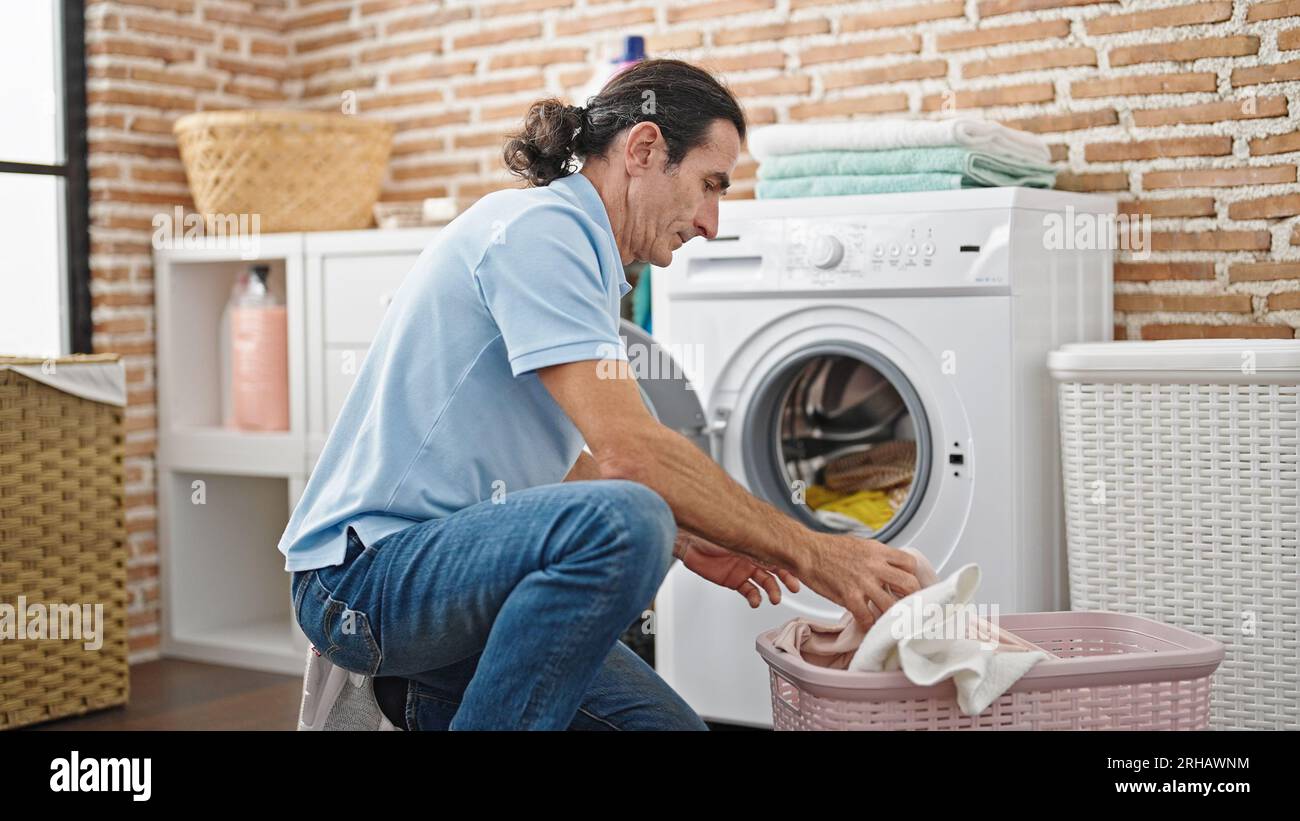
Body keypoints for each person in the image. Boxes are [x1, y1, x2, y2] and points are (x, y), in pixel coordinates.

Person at [281, 58, 922, 731]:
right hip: (364, 579)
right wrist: (817, 551)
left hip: (449, 572)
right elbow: (630, 455)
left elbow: (545, 463)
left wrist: (682, 533)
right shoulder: (541, 232)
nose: (711, 221)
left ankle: (424, 700)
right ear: (644, 149)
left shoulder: (580, 256)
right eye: (710, 184)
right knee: (627, 518)